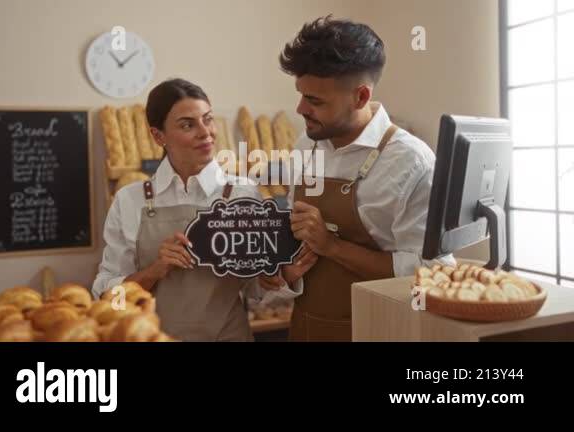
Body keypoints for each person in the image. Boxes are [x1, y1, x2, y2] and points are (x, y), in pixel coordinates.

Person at [260, 16, 455, 341]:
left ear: (361, 97)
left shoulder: (410, 161)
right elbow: (300, 241)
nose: (300, 108)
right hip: (307, 328)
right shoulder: (306, 143)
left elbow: (434, 272)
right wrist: (280, 271)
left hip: (379, 332)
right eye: (301, 94)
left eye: (315, 100)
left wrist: (333, 247)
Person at [93, 78, 299, 341]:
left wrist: (272, 279)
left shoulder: (242, 193)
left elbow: (254, 290)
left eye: (208, 119)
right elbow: (108, 297)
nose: (206, 132)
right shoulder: (129, 200)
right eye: (187, 125)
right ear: (158, 136)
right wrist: (154, 271)